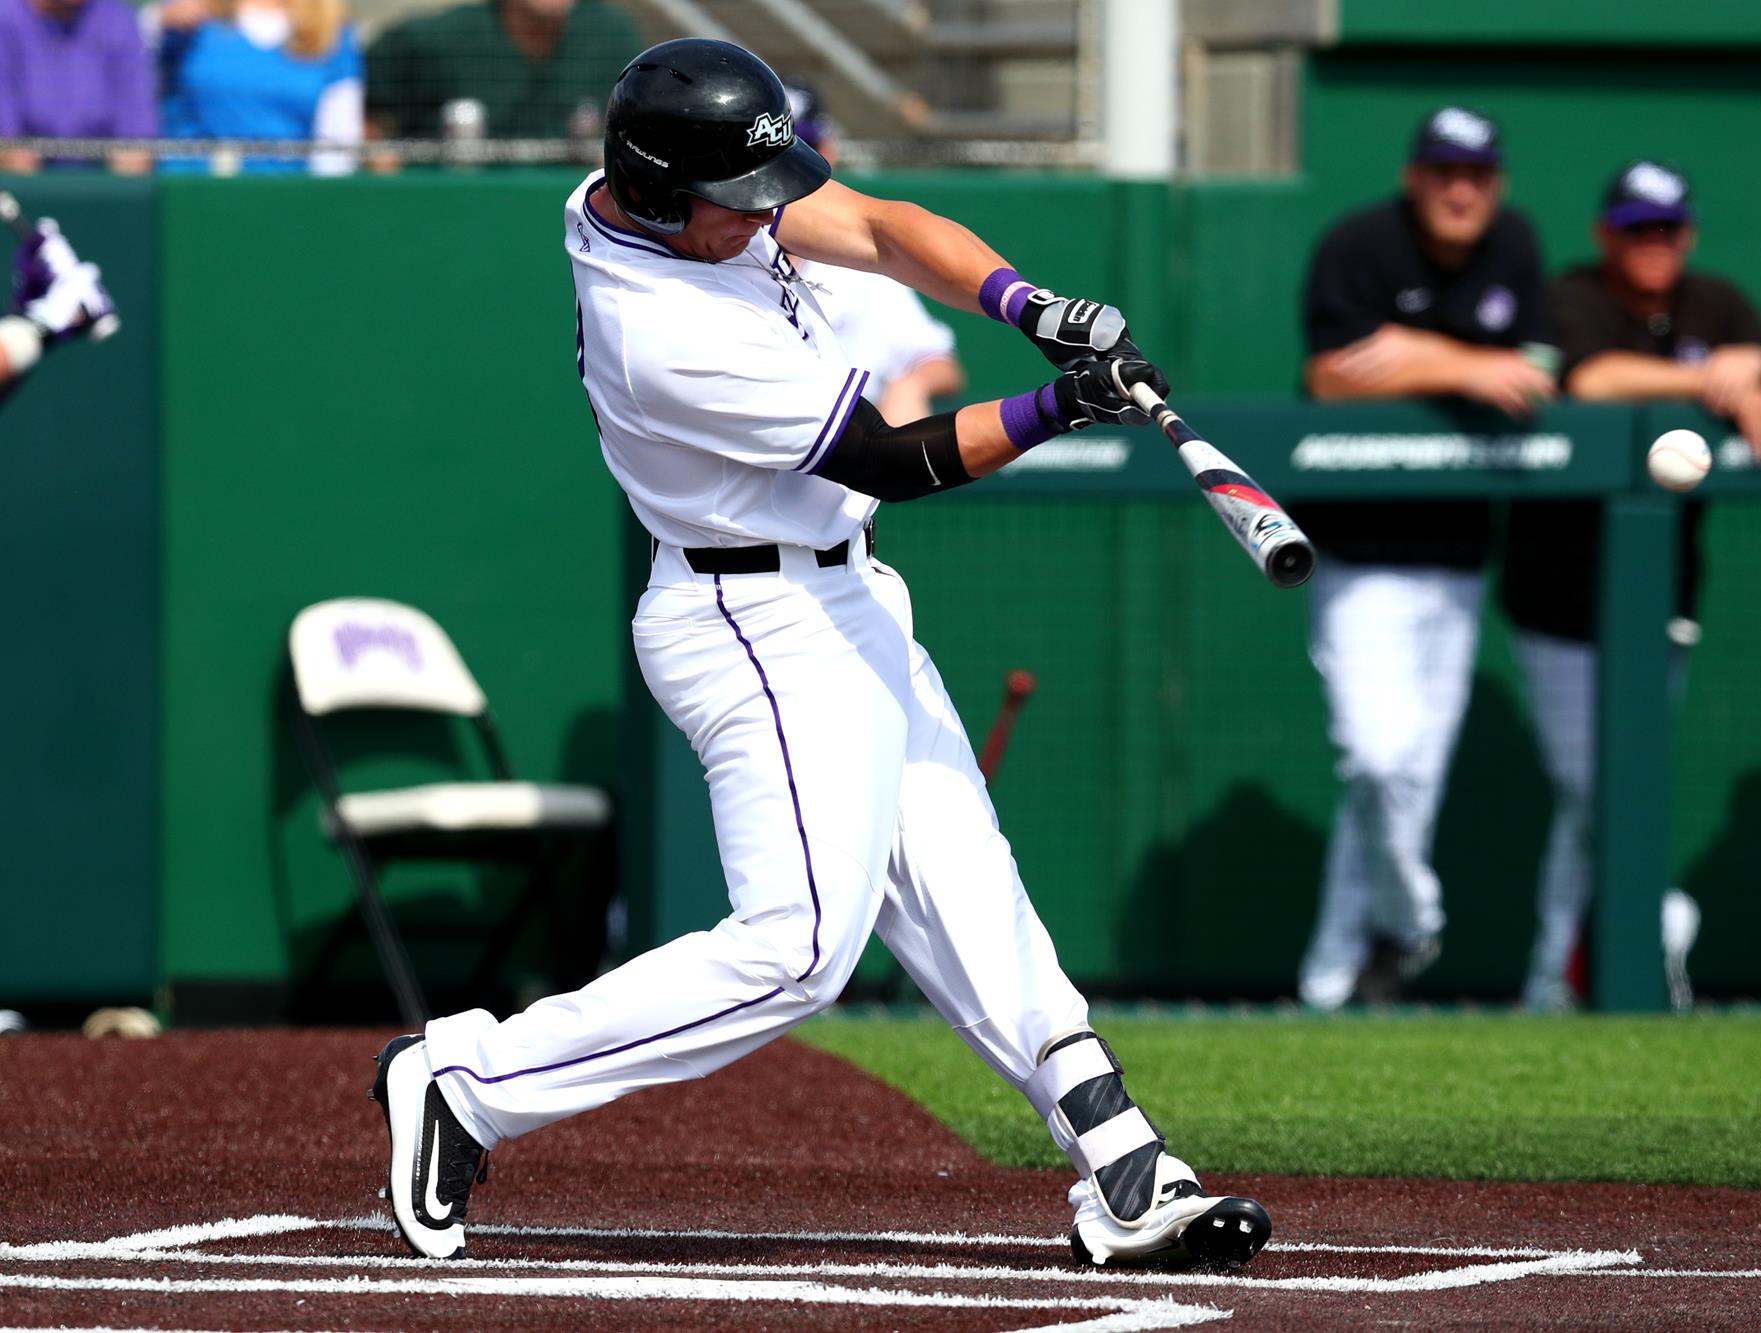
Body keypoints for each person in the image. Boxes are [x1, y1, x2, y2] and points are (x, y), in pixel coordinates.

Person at [367, 39, 1272, 1272]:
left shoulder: (683, 202)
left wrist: (1030, 308)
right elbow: (896, 457)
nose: (765, 219)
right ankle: (467, 1078)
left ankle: (1125, 1169)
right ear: (653, 192)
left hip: (846, 597)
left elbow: (891, 229)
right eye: (733, 206)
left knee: (966, 880)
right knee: (798, 950)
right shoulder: (662, 328)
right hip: (751, 623)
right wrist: (1064, 403)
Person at [1500, 160, 1761, 1010]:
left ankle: (1550, 978)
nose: (1652, 243)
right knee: (1592, 785)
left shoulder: (1716, 302)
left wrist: (1759, 362)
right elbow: (1590, 378)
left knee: (1595, 797)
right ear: (1606, 234)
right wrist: (1715, 378)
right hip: (1559, 598)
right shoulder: (1573, 294)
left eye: (1666, 228)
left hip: (1663, 598)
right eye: (1636, 228)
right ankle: (1655, 918)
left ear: (1689, 234)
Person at [1291, 106, 1555, 1010]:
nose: (1460, 187)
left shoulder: (1514, 246)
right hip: (1360, 558)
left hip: (1457, 559)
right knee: (1375, 759)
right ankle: (1412, 917)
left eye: (1477, 171)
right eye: (1444, 169)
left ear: (1498, 181)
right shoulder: (1359, 245)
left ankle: (1333, 977)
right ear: (1414, 176)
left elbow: (1537, 368)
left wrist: (1410, 355)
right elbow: (1330, 377)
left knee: (1405, 779)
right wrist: (1461, 362)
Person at [781, 81, 964, 425]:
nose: (785, 168)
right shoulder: (716, 246)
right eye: (770, 154)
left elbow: (939, 363)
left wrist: (912, 384)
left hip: (848, 458)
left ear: (828, 152)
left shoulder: (863, 264)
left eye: (802, 149)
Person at [363, 0, 636, 143]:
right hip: (450, 215)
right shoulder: (438, 38)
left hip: (576, 223)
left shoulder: (613, 38)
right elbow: (359, 105)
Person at [155, 0, 362, 175]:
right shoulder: (189, 14)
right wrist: (156, 23)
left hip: (283, 198)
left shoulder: (332, 32)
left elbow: (337, 150)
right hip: (191, 191)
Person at [0, 0, 157, 174]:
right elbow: (7, 147)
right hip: (24, 184)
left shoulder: (116, 19)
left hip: (99, 186)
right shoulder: (6, 17)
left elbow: (136, 143)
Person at [0, 210, 118, 400]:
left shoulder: (76, 280)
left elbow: (104, 324)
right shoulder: (62, 275)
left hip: (25, 335)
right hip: (24, 339)